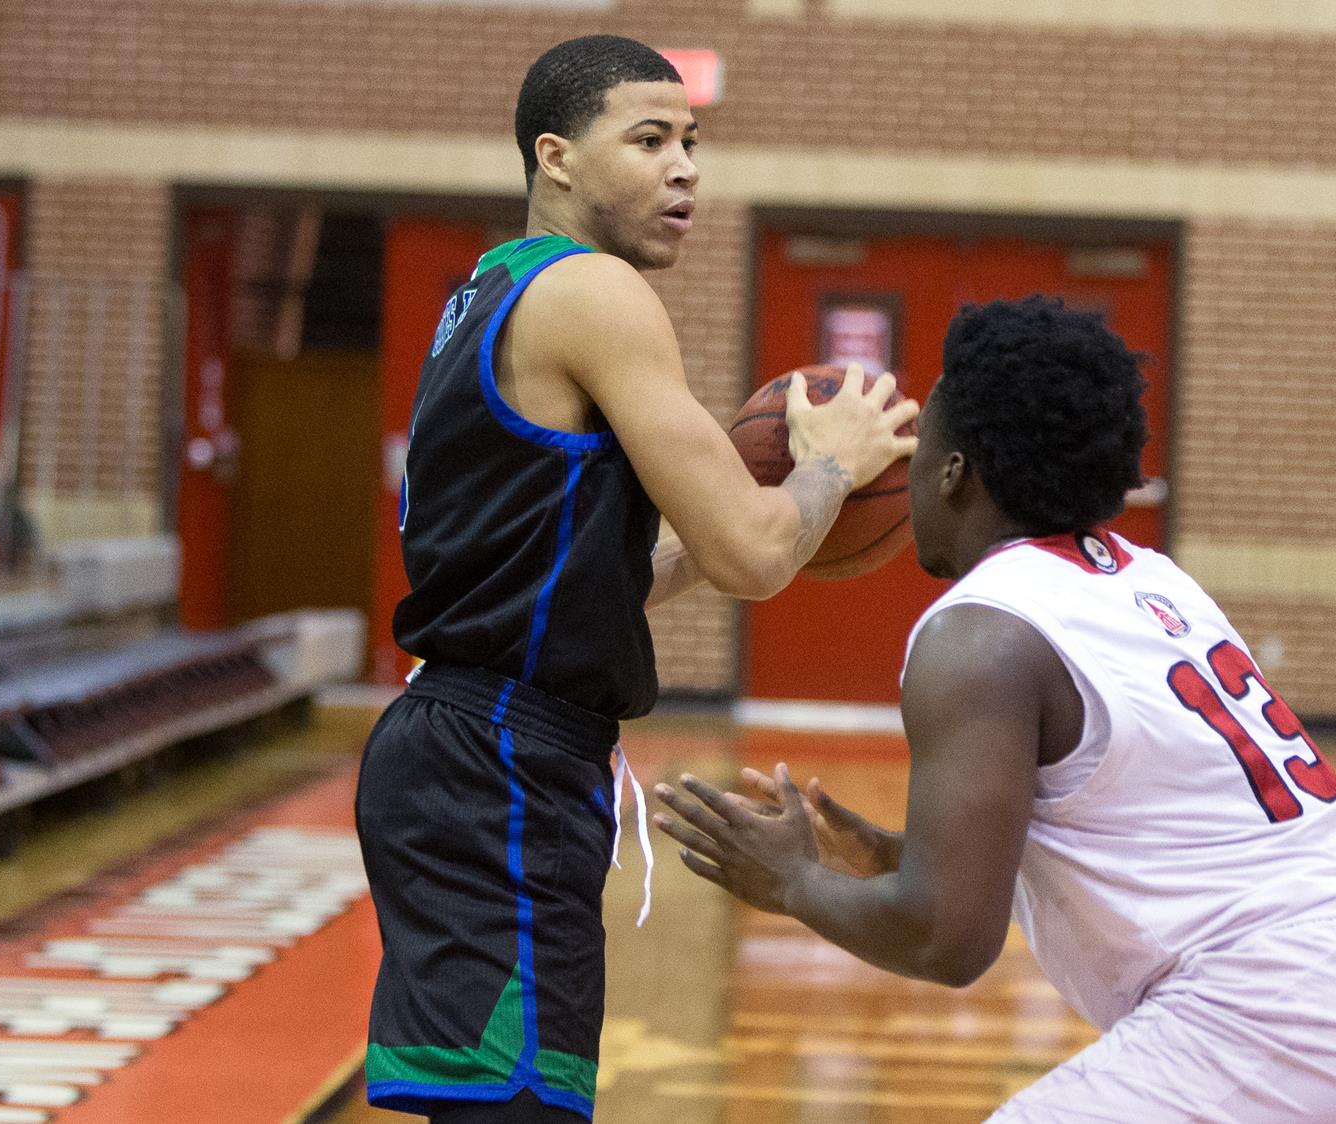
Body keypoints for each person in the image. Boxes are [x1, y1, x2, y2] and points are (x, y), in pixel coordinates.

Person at [653, 295, 1336, 1123]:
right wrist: (880, 857)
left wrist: (792, 882)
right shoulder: (1151, 580)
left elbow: (947, 940)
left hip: (1299, 1019)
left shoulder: (980, 631)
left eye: (919, 457)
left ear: (954, 474)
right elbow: (1126, 837)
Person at [356, 34, 918, 1123]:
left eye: (692, 143)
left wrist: (707, 541)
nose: (685, 169)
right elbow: (758, 553)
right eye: (649, 139)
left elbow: (558, 567)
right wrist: (831, 467)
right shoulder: (594, 292)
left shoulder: (488, 287)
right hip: (501, 767)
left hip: (463, 742)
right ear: (556, 158)